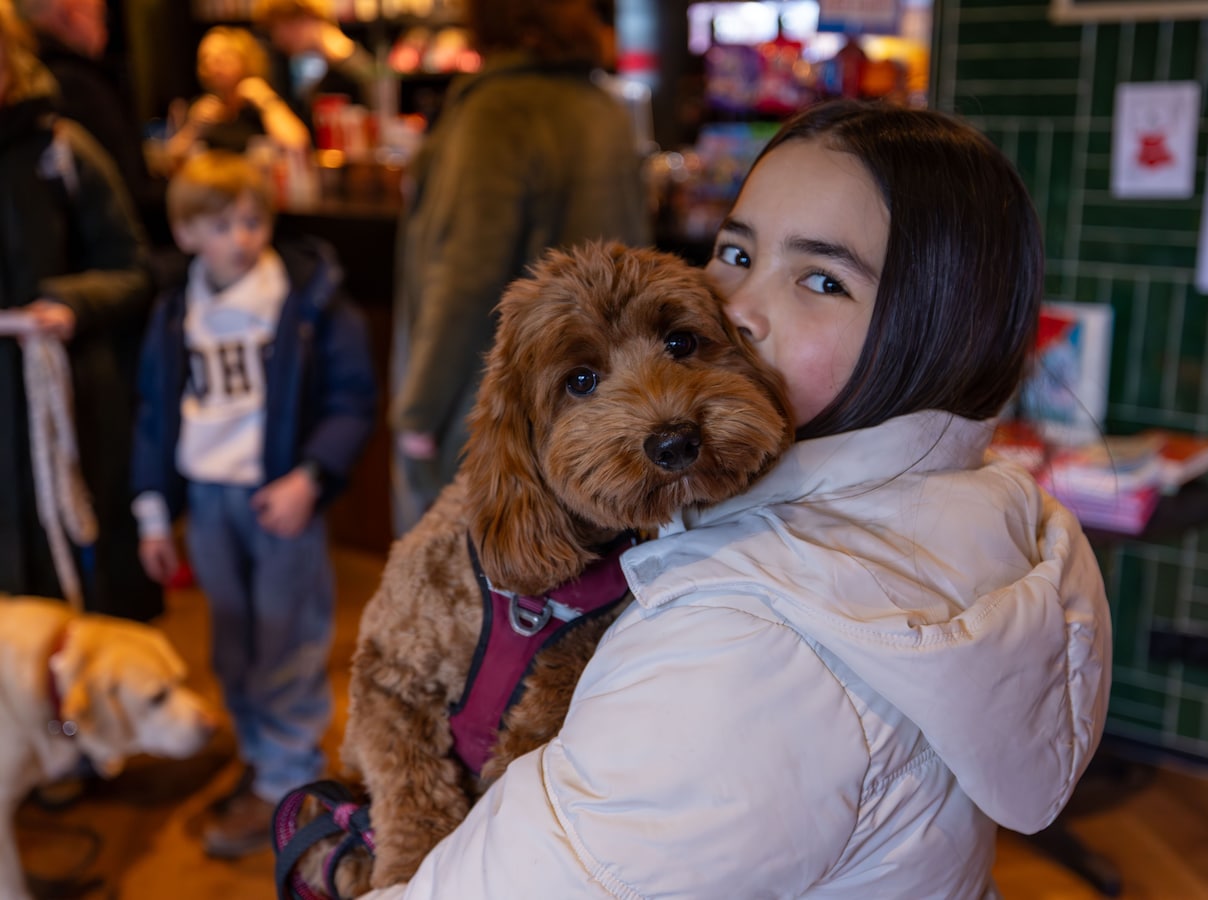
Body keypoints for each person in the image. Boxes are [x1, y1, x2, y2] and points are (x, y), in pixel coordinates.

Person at [361, 99, 1113, 898]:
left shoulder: (742, 650)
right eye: (734, 250)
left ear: (938, 333)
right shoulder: (972, 509)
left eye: (821, 280)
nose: (739, 311)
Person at [130, 150, 376, 858]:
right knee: (233, 640)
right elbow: (155, 409)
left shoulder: (308, 298)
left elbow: (351, 400)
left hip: (281, 498)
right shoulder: (177, 308)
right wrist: (152, 510)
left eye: (251, 221)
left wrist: (310, 477)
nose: (239, 238)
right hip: (208, 499)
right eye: (219, 226)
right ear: (185, 235)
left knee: (289, 638)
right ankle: (261, 756)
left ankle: (289, 785)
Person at [389, 0, 649, 536]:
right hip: (602, 394)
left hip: (497, 404)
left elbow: (465, 277)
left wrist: (420, 412)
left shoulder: (496, 110)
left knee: (472, 577)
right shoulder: (603, 107)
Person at [0, 0, 162, 622]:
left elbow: (135, 269)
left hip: (70, 407)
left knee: (83, 599)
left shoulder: (63, 149)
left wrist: (70, 303)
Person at [18, 0, 163, 235]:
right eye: (101, 17)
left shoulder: (32, 84)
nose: (106, 31)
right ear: (71, 15)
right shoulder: (74, 84)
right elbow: (127, 189)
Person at [165, 25, 309, 167]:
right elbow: (170, 161)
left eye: (222, 56)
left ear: (245, 58)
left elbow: (297, 145)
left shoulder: (261, 104)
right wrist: (194, 128)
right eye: (206, 58)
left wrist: (268, 102)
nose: (212, 64)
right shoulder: (202, 109)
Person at [253, 0, 377, 122]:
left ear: (305, 18)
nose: (278, 40)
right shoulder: (325, 74)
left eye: (279, 27)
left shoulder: (355, 69)